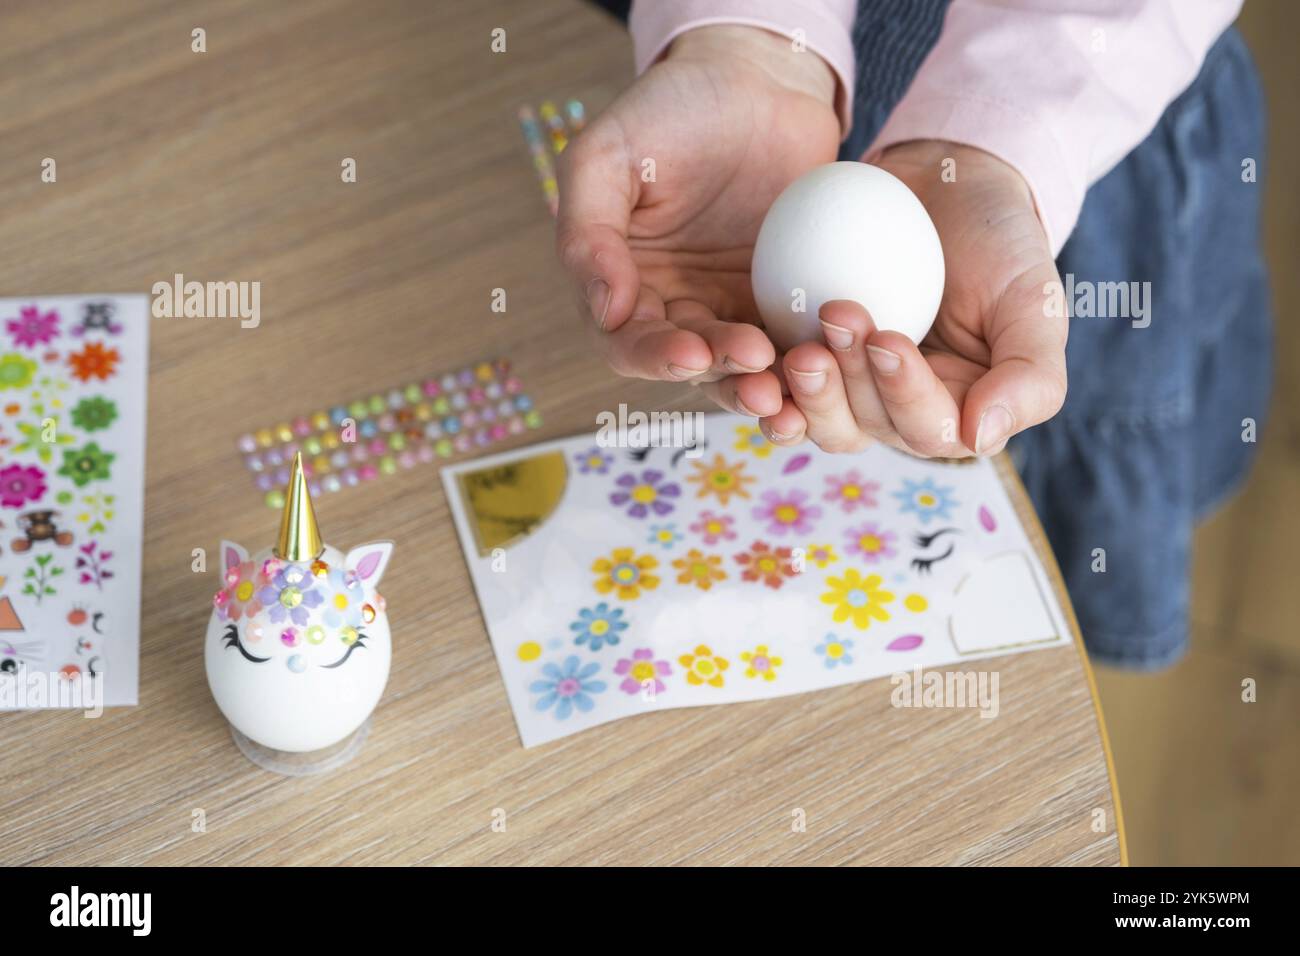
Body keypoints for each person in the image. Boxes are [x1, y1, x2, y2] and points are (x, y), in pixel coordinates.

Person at [556, 0, 1271, 669]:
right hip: (756, 136)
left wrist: (993, 136)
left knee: (1058, 538)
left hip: (1090, 120)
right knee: (892, 544)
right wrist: (751, 38)